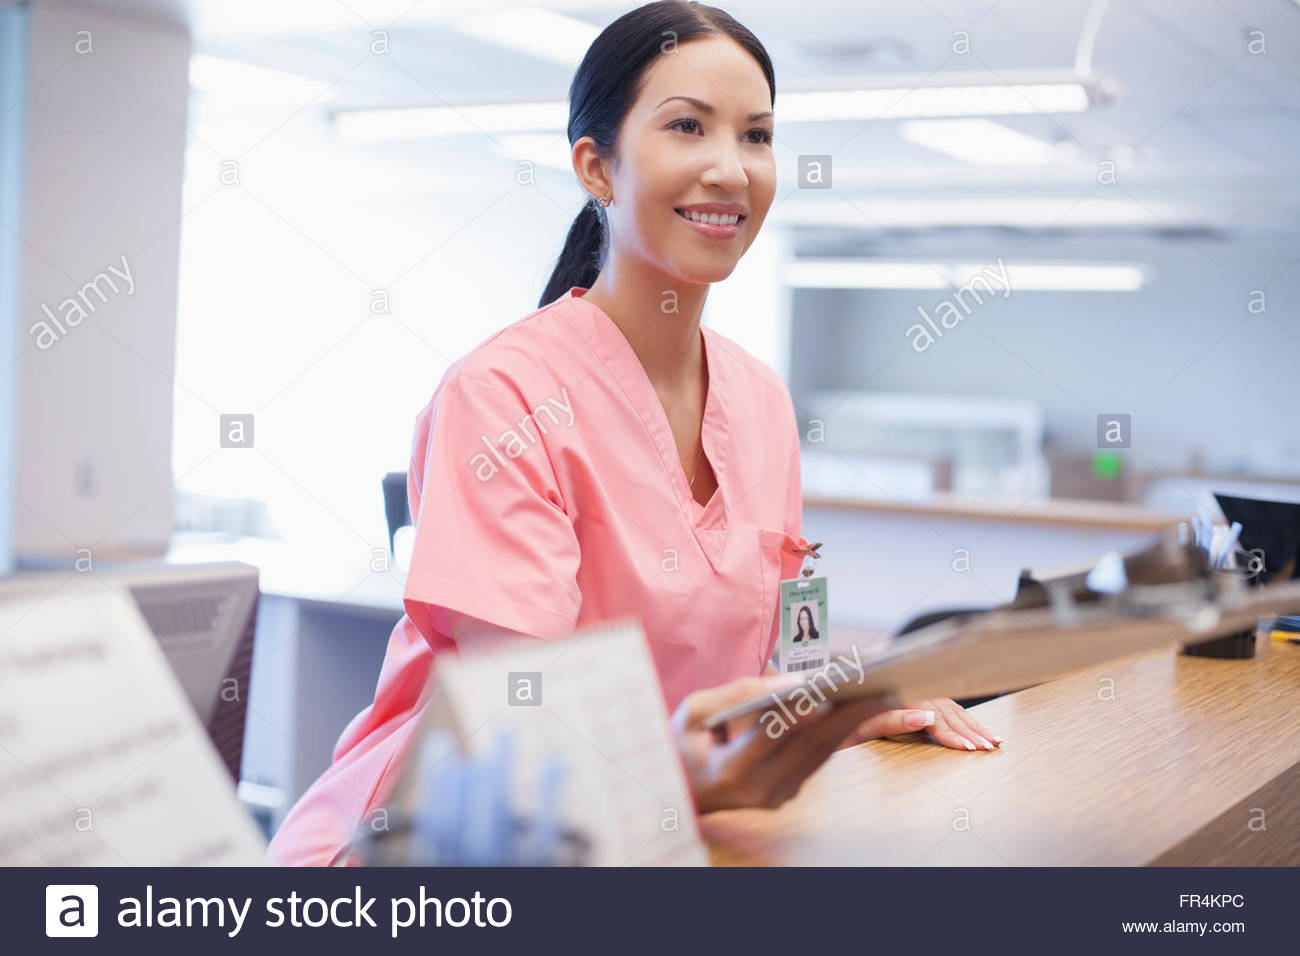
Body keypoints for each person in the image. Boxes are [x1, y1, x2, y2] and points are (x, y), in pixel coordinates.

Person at [267, 0, 1000, 867]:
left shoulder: (762, 404)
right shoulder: (502, 396)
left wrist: (837, 708)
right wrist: (713, 761)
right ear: (596, 167)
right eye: (687, 126)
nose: (731, 168)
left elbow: (788, 648)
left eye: (757, 136)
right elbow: (530, 724)